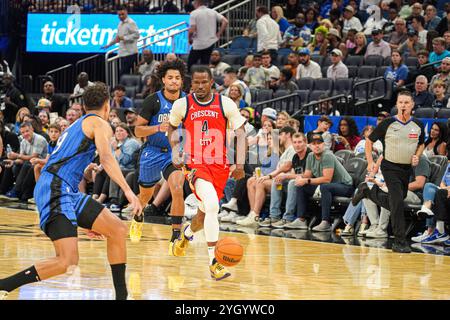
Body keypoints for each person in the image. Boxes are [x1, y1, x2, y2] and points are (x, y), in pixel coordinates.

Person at [0, 83, 143, 300]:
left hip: (63, 190)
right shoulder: (101, 124)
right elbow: (106, 158)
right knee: (67, 261)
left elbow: (57, 166)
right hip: (57, 189)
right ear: (107, 106)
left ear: (84, 106)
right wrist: (129, 192)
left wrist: (79, 219)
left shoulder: (76, 125)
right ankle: (5, 285)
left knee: (116, 229)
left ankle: (121, 297)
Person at [168, 66, 247, 280]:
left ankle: (186, 234)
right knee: (212, 205)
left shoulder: (225, 103)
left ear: (212, 81)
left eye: (204, 82)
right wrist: (176, 152)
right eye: (196, 82)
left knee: (204, 214)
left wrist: (239, 165)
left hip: (219, 166)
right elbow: (172, 129)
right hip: (195, 164)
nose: (200, 86)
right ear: (190, 83)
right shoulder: (182, 104)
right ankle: (214, 263)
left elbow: (241, 132)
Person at [352, 90, 425, 253]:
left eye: (407, 102)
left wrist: (417, 156)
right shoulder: (388, 123)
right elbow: (369, 141)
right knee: (397, 202)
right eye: (401, 102)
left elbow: (422, 143)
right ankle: (400, 241)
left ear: (412, 104)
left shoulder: (418, 124)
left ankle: (368, 192)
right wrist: (370, 162)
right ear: (397, 105)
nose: (403, 105)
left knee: (398, 200)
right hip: (389, 166)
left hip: (406, 169)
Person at [132, 60, 187, 250]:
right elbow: (137, 131)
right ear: (163, 80)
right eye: (170, 78)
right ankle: (138, 217)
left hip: (175, 153)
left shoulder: (188, 102)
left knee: (177, 187)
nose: (174, 81)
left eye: (177, 78)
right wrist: (157, 127)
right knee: (145, 196)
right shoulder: (153, 100)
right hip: (153, 152)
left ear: (181, 81)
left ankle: (176, 235)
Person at [295, 133, 354, 231]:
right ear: (309, 145)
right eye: (314, 144)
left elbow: (327, 179)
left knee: (325, 187)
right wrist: (298, 179)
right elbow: (307, 176)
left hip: (345, 186)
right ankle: (301, 220)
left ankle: (325, 222)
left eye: (319, 143)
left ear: (323, 144)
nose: (317, 146)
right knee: (301, 186)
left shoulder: (327, 156)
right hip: (329, 185)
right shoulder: (310, 156)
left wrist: (306, 180)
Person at [267, 132, 311, 229]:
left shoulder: (310, 154)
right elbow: (290, 170)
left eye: (300, 142)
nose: (297, 145)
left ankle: (288, 218)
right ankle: (274, 216)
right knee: (277, 180)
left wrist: (287, 176)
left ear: (305, 142)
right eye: (295, 142)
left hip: (312, 183)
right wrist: (274, 176)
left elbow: (308, 175)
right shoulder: (295, 156)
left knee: (291, 182)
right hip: (300, 183)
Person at [187, 0, 228, 72]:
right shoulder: (212, 12)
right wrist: (219, 33)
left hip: (198, 43)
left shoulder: (194, 13)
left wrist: (189, 39)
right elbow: (225, 21)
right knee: (205, 66)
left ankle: (190, 81)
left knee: (190, 65)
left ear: (197, 3)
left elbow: (192, 29)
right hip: (210, 42)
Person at [101, 6, 140, 78]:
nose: (121, 16)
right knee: (123, 75)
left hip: (130, 54)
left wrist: (124, 38)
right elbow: (117, 37)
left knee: (124, 75)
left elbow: (137, 35)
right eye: (119, 15)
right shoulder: (120, 24)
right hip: (123, 53)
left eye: (122, 14)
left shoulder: (131, 22)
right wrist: (108, 45)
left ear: (126, 12)